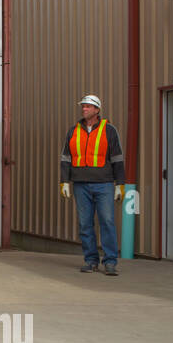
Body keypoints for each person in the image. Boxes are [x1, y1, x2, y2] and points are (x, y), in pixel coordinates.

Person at [59, 94, 126, 275]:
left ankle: (110, 262)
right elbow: (66, 158)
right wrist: (64, 181)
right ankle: (90, 260)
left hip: (103, 184)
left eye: (88, 106)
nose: (84, 109)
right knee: (85, 224)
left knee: (107, 221)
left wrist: (120, 184)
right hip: (80, 184)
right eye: (83, 106)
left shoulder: (109, 130)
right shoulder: (73, 131)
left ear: (97, 110)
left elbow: (118, 159)